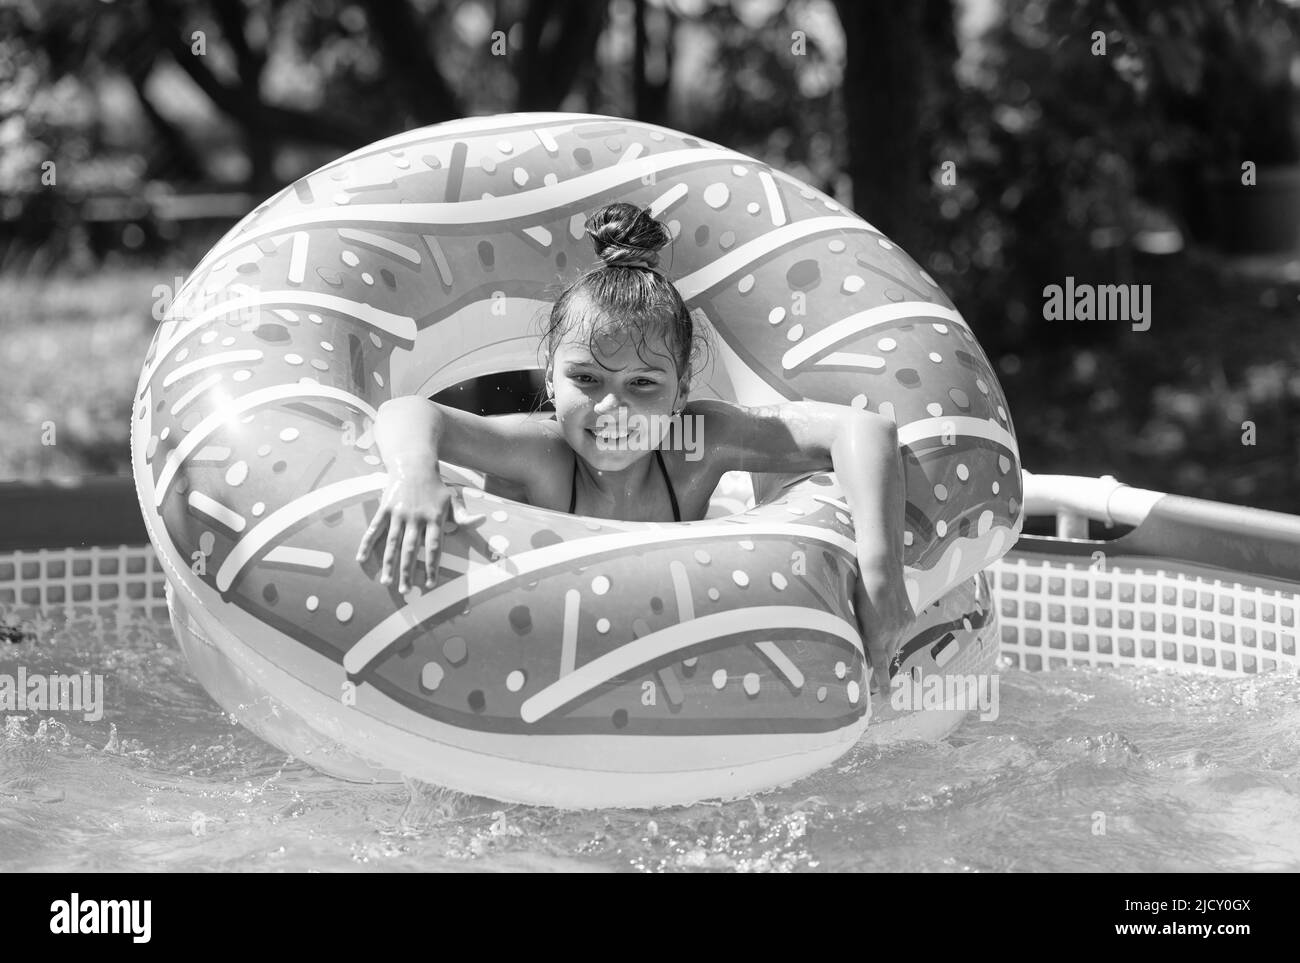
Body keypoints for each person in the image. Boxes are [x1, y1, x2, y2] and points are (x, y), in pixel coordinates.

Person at [355, 202, 913, 692]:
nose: (611, 409)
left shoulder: (696, 448)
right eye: (587, 379)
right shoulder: (542, 455)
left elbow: (862, 430)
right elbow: (407, 410)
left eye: (643, 384)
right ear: (550, 378)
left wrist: (881, 569)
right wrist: (415, 476)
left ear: (682, 392)